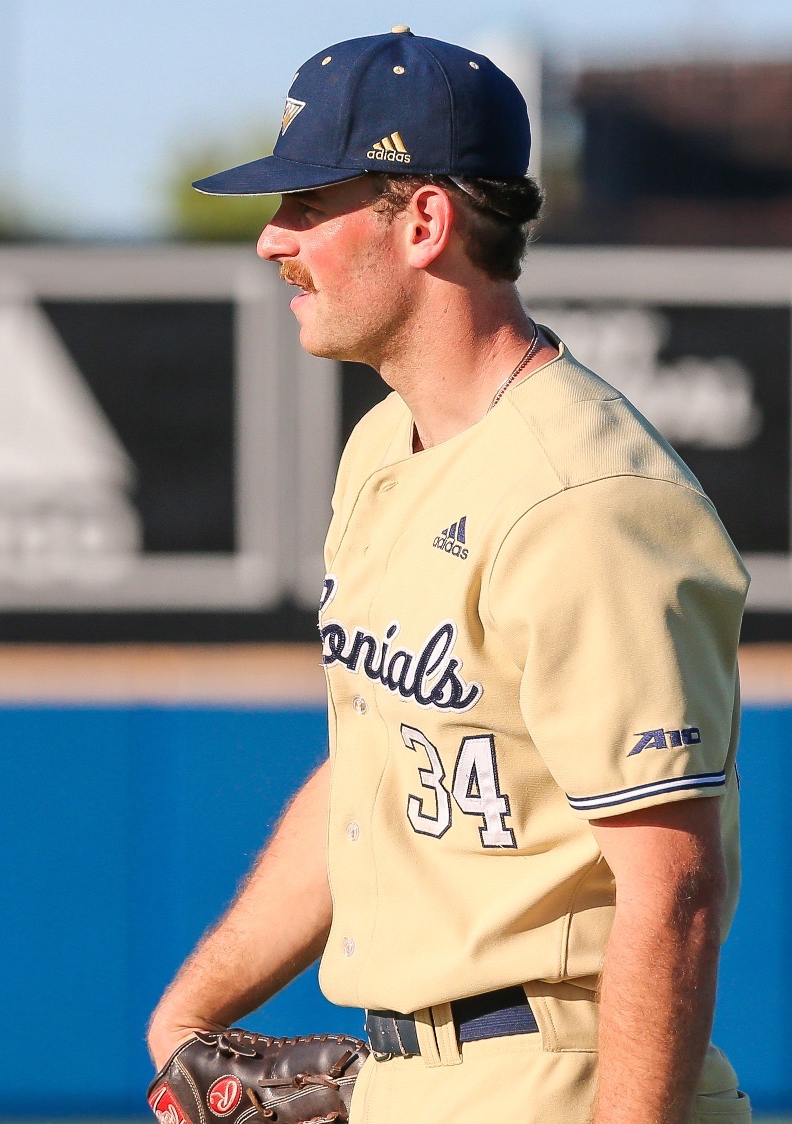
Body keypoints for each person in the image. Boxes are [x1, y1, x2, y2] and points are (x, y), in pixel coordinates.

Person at [147, 27, 751, 1124]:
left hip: (559, 1077)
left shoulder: (586, 496)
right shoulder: (384, 447)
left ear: (422, 221)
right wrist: (187, 1010)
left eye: (308, 205)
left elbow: (672, 889)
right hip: (410, 1079)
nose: (271, 240)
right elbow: (369, 764)